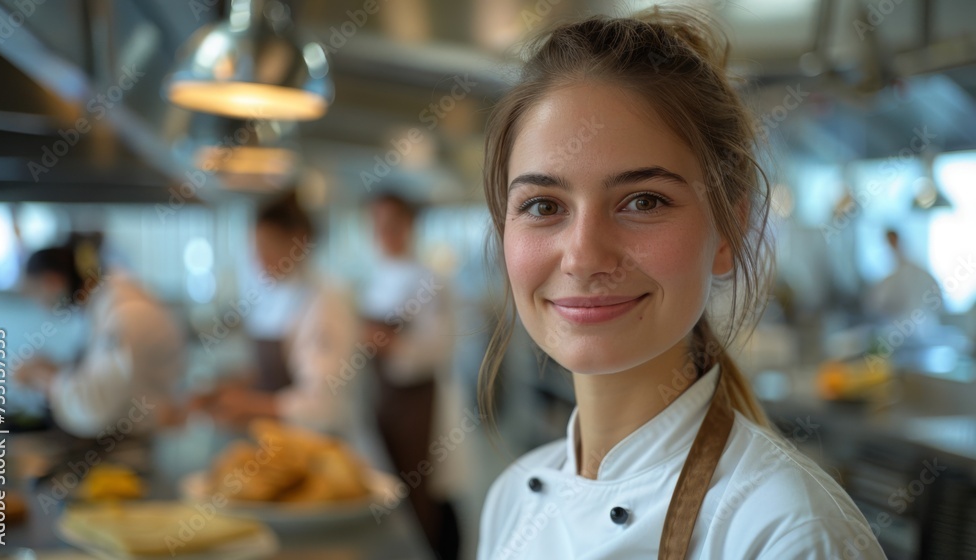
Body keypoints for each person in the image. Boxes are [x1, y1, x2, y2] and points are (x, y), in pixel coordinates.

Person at [476, 9, 885, 560]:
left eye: (643, 201)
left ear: (728, 232)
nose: (584, 257)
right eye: (543, 205)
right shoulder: (510, 502)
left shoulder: (785, 532)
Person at [200, 191, 360, 438]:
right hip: (278, 439)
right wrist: (232, 387)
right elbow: (273, 372)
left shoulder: (326, 302)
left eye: (267, 246)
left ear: (299, 241)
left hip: (315, 443)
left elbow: (322, 405)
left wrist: (249, 405)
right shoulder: (276, 293)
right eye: (255, 248)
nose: (258, 259)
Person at [359, 192, 460, 560]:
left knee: (419, 488)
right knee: (389, 482)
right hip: (383, 396)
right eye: (376, 225)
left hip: (417, 398)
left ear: (409, 226)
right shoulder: (377, 276)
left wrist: (388, 344)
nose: (384, 233)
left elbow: (438, 348)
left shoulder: (428, 280)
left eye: (391, 224)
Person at [14, 238, 184, 439]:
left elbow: (95, 407)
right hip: (137, 435)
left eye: (35, 293)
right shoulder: (106, 303)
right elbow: (103, 377)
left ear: (52, 282)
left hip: (149, 439)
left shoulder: (124, 313)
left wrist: (43, 378)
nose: (39, 304)